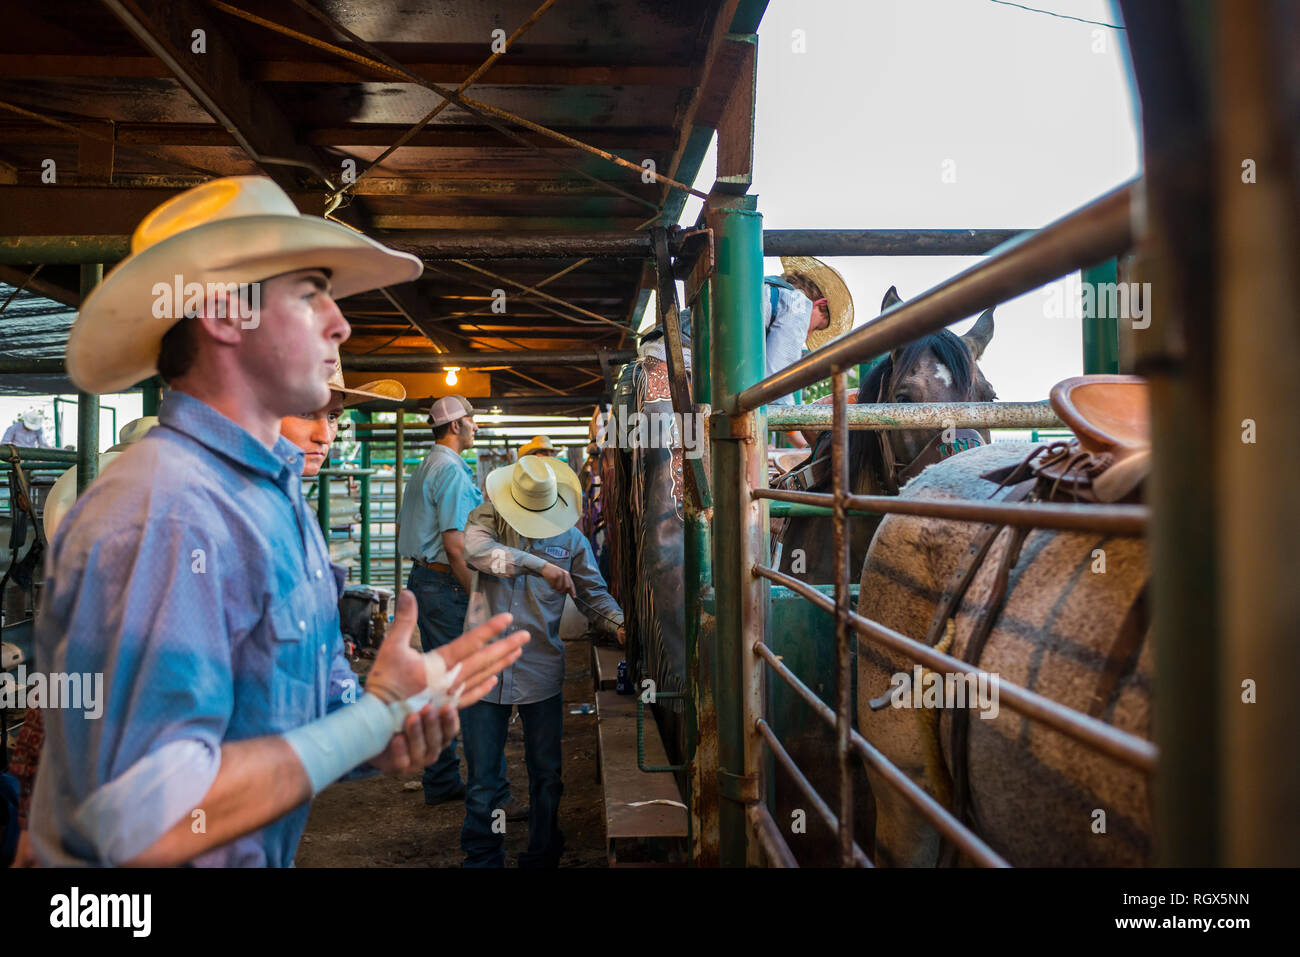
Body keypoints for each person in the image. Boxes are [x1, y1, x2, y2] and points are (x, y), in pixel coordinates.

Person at [25, 176, 528, 867]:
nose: (339, 322)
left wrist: (380, 719)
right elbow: (143, 820)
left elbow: (291, 724)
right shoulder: (164, 510)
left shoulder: (274, 501)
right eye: (308, 293)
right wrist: (372, 719)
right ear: (226, 315)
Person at [460, 454, 625, 868]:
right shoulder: (486, 520)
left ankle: (543, 851)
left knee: (547, 774)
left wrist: (619, 624)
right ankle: (483, 856)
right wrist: (539, 566)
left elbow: (592, 595)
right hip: (485, 666)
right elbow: (480, 555)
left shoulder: (572, 541)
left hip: (540, 668)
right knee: (483, 778)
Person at [397, 394, 528, 819]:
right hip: (446, 583)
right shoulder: (451, 472)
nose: (476, 427)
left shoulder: (427, 466)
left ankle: (440, 779)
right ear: (455, 426)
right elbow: (456, 548)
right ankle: (491, 794)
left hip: (426, 582)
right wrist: (482, 600)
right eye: (471, 422)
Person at [763, 257, 855, 445]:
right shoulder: (798, 304)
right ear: (820, 304)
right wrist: (805, 443)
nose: (807, 336)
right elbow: (778, 382)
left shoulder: (768, 289)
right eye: (815, 328)